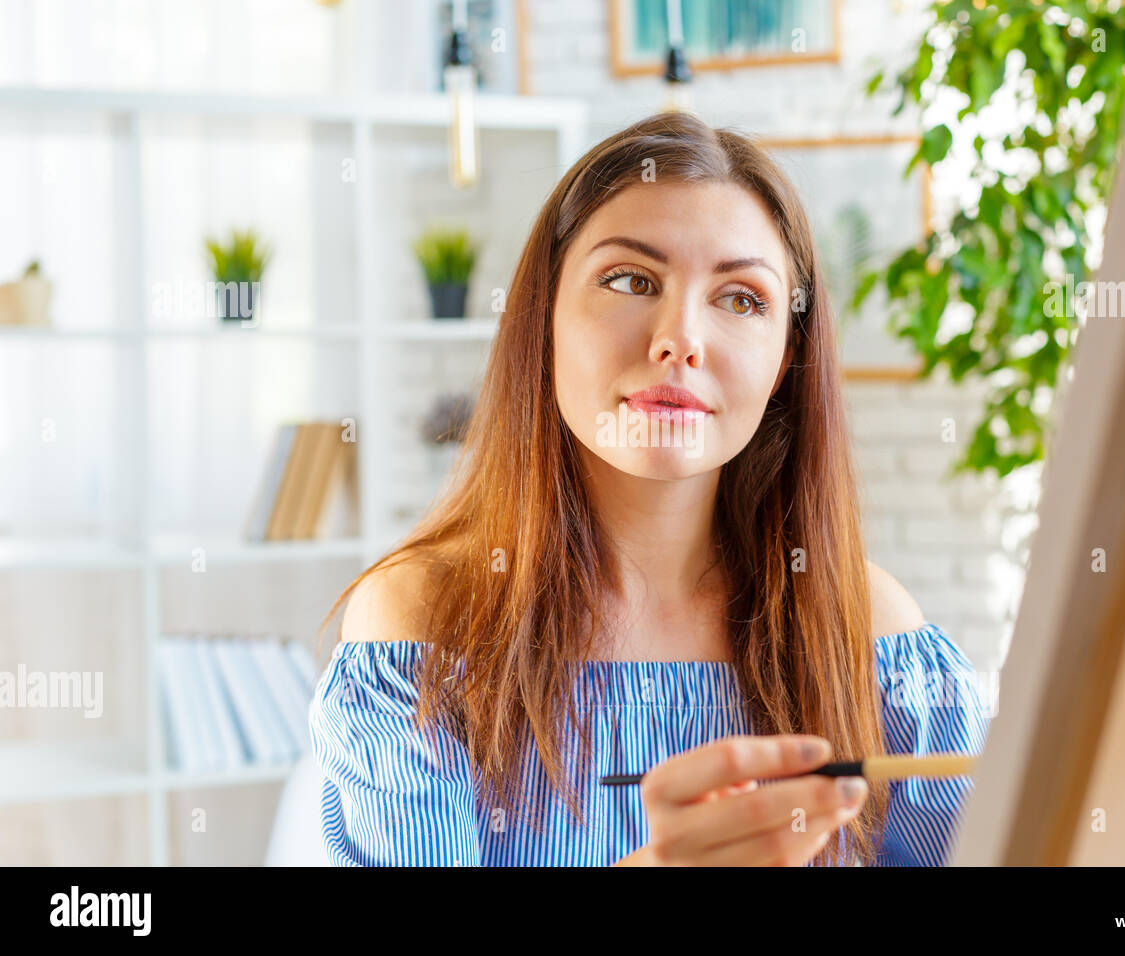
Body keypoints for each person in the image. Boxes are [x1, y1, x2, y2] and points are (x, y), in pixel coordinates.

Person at [308, 110, 989, 866]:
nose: (679, 339)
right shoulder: (424, 625)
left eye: (741, 299)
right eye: (632, 280)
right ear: (544, 319)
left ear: (786, 357)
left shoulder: (877, 635)